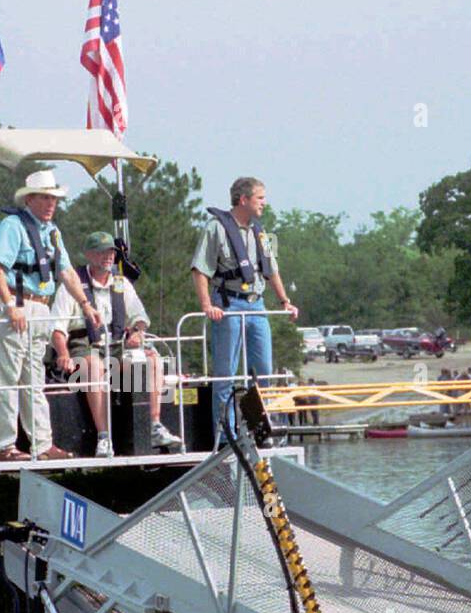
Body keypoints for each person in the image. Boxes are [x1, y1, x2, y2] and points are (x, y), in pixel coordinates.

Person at [0, 170, 99, 462]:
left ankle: (42, 444)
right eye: (46, 198)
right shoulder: (13, 226)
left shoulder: (52, 232)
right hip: (15, 302)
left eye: (55, 198)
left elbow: (66, 272)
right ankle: (4, 446)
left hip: (40, 307)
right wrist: (11, 304)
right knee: (7, 377)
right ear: (31, 199)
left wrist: (86, 305)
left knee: (34, 378)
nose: (52, 204)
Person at [50, 231, 184, 457]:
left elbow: (140, 318)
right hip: (84, 347)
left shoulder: (122, 284)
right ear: (89, 255)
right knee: (94, 365)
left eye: (111, 251)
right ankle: (104, 437)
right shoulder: (72, 286)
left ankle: (154, 425)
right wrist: (62, 353)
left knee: (152, 359)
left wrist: (137, 333)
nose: (109, 256)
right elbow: (56, 328)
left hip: (116, 346)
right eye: (103, 252)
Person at [191, 177, 298, 444]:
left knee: (264, 370)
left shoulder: (260, 232)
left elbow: (271, 271)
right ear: (243, 199)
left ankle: (261, 429)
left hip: (257, 305)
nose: (264, 203)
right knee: (227, 372)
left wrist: (285, 301)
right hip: (228, 304)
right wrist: (207, 305)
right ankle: (226, 435)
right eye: (260, 198)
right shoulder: (216, 228)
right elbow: (200, 270)